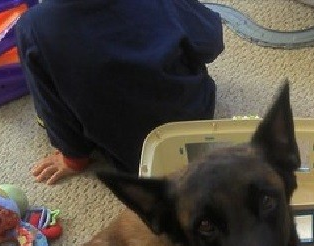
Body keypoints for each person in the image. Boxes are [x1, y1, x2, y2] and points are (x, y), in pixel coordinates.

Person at [15, 0, 224, 184]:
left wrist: (73, 157)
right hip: (195, 117)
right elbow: (210, 42)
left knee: (53, 87)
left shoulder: (32, 26)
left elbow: (52, 107)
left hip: (131, 153)